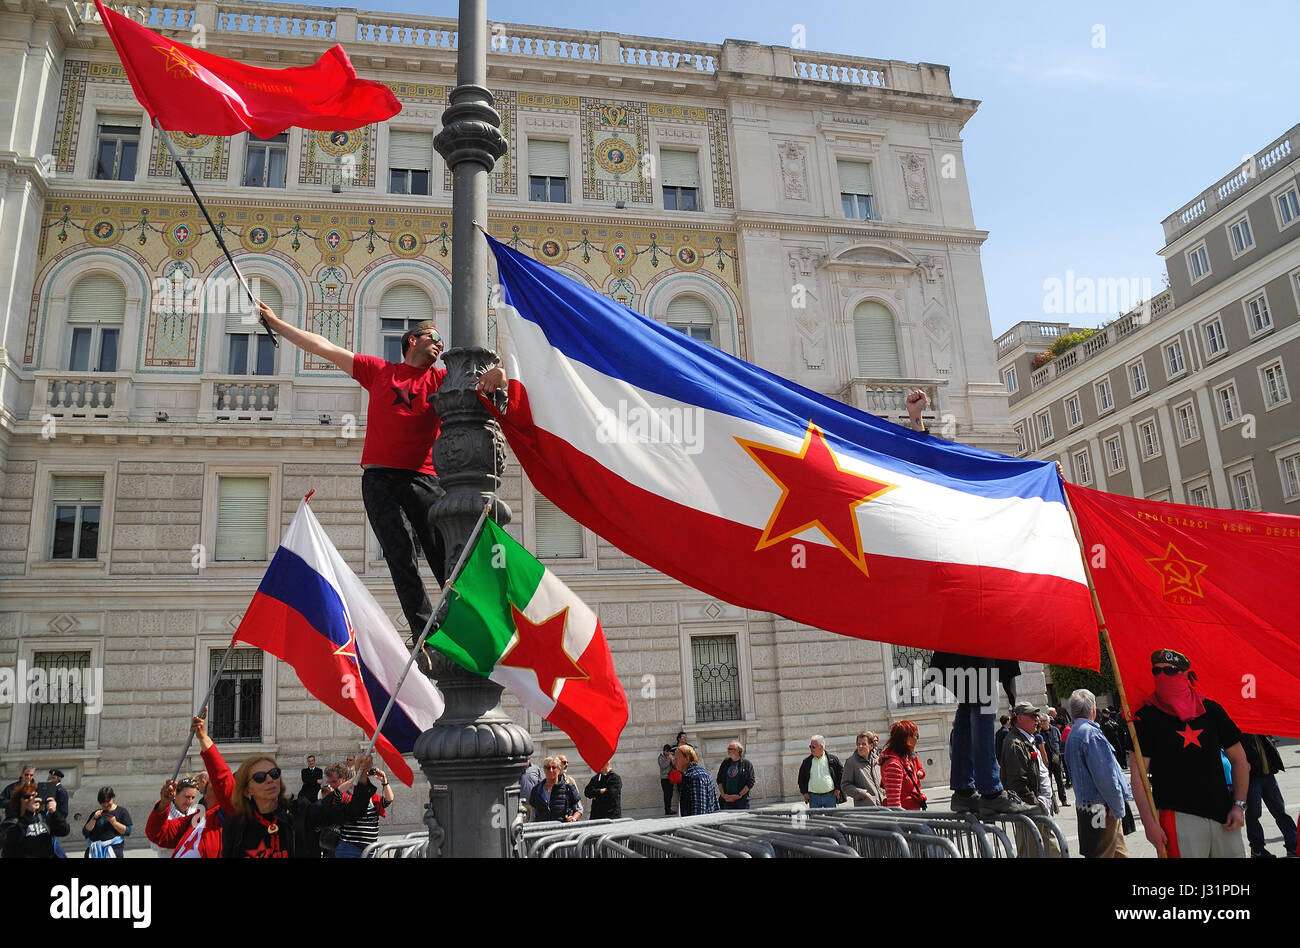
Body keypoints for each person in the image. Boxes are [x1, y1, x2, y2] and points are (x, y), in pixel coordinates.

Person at [253, 300, 507, 640]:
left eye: (442, 343)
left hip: (423, 478)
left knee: (443, 554)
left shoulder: (442, 379)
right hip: (378, 478)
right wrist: (277, 324)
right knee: (399, 557)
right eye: (432, 338)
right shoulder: (379, 371)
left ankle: (466, 620)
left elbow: (491, 381)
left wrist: (499, 373)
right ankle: (424, 630)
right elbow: (324, 347)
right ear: (411, 341)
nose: (439, 345)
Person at [1129, 649, 1248, 859]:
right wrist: (1149, 824)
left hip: (1223, 816)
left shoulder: (1211, 711)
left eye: (1170, 671)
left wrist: (1239, 805)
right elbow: (1138, 777)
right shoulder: (1145, 718)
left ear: (1185, 674)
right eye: (1156, 671)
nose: (1162, 675)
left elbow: (1240, 760)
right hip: (1177, 817)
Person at [929, 650, 1034, 818]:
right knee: (983, 701)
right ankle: (990, 792)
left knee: (967, 704)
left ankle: (964, 791)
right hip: (978, 641)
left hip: (960, 643)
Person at [222, 752, 378, 858]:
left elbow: (352, 812)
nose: (270, 779)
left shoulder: (300, 812)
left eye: (274, 774)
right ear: (247, 790)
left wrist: (361, 776)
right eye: (260, 777)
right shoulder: (236, 826)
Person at [146, 712, 234, 859]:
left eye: (212, 778)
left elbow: (224, 780)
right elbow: (158, 834)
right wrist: (163, 804)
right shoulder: (198, 818)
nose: (207, 779)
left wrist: (203, 738)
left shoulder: (230, 818)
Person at [1063, 689, 1132, 858]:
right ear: (1093, 710)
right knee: (1103, 853)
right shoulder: (1091, 734)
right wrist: (1116, 805)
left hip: (1090, 806)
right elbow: (1105, 776)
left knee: (1118, 853)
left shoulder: (1074, 734)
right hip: (1101, 807)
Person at [1239, 733, 1297, 858]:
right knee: (1254, 814)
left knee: (1280, 811)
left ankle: (1293, 845)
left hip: (1268, 775)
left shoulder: (1261, 729)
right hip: (1252, 777)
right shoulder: (1241, 731)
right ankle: (1257, 849)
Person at [331, 763, 394, 858]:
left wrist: (384, 781)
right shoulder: (346, 797)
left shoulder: (373, 798)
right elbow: (336, 795)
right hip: (348, 849)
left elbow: (389, 799)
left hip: (369, 850)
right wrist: (355, 778)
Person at [2, 783, 68, 858]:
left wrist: (54, 812)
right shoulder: (12, 823)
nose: (33, 799)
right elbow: (8, 852)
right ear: (19, 801)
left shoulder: (43, 817)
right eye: (27, 797)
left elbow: (64, 830)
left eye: (36, 796)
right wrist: (27, 816)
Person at [879, 720, 927, 811]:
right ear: (907, 740)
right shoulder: (893, 765)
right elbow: (894, 804)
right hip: (905, 819)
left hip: (911, 813)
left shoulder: (907, 758)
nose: (917, 739)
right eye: (916, 736)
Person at [83, 786, 132, 858]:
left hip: (114, 851)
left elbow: (128, 831)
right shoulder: (96, 813)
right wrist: (93, 819)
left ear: (113, 798)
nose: (106, 804)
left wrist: (114, 823)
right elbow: (85, 832)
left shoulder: (122, 812)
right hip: (95, 851)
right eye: (103, 802)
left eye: (108, 801)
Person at [528, 757, 580, 823]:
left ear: (559, 770)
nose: (551, 770)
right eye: (548, 768)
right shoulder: (536, 790)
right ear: (544, 770)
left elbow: (579, 809)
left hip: (562, 829)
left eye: (554, 767)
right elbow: (533, 814)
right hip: (542, 830)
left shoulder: (568, 788)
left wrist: (573, 818)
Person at [797, 735, 843, 808]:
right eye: (810, 746)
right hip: (813, 797)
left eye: (813, 747)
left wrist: (838, 788)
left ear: (821, 747)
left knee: (831, 819)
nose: (811, 749)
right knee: (815, 819)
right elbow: (801, 779)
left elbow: (841, 774)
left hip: (830, 796)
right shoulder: (807, 761)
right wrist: (804, 793)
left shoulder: (832, 759)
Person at [674, 744, 719, 816]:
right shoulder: (696, 774)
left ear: (687, 758)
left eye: (677, 758)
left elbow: (699, 813)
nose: (674, 761)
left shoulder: (695, 777)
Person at [842, 731, 883, 807]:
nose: (860, 746)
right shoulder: (851, 762)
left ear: (871, 746)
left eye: (863, 744)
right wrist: (863, 793)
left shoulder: (877, 761)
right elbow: (845, 785)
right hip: (865, 808)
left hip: (883, 807)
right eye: (858, 744)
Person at [715, 741, 756, 809]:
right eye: (728, 749)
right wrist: (723, 795)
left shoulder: (746, 764)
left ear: (738, 751)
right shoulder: (725, 762)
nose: (728, 751)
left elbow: (750, 782)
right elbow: (719, 779)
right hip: (726, 800)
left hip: (741, 801)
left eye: (731, 749)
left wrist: (739, 795)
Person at [556, 754, 583, 819]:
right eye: (564, 762)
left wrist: (573, 818)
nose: (567, 765)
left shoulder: (570, 780)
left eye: (567, 762)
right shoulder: (547, 782)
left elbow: (578, 803)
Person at [658, 744, 677, 816]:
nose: (668, 753)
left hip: (671, 777)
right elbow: (663, 766)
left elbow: (675, 766)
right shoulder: (661, 757)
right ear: (664, 751)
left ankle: (669, 808)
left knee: (671, 794)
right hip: (664, 778)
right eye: (667, 752)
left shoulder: (671, 755)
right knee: (666, 794)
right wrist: (669, 759)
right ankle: (667, 810)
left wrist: (673, 760)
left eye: (669, 752)